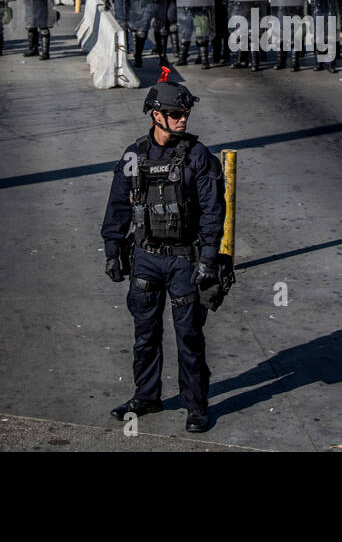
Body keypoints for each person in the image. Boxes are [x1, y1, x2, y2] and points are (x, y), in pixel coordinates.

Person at [101, 75, 226, 434]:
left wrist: (208, 259)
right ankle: (146, 396)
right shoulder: (133, 155)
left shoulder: (199, 157)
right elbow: (116, 205)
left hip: (184, 260)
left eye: (185, 112)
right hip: (145, 257)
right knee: (145, 333)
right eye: (174, 113)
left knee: (189, 337)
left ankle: (196, 405)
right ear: (155, 115)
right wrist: (112, 247)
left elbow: (213, 212)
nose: (182, 119)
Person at [228, 0, 270, 70]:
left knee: (253, 36)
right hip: (241, 9)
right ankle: (241, 61)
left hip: (255, 9)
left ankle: (255, 62)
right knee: (242, 35)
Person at [269, 0, 306, 70]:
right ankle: (281, 61)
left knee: (295, 37)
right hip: (281, 11)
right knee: (281, 37)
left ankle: (295, 63)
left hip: (295, 11)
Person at [175, 0, 215, 68]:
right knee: (185, 37)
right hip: (187, 13)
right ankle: (182, 59)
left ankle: (204, 61)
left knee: (202, 39)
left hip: (201, 13)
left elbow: (209, 0)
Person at [306, 0, 341, 72]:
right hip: (318, 10)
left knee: (330, 38)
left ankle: (331, 63)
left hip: (330, 9)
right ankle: (318, 62)